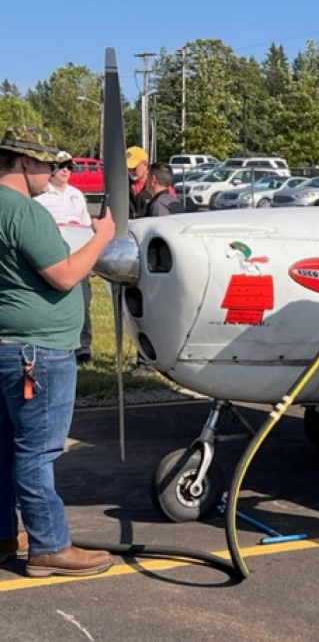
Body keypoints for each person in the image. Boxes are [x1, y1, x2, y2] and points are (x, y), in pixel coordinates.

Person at [0, 125, 117, 576]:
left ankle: (5, 532)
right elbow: (66, 274)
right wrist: (102, 235)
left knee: (5, 448)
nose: (53, 171)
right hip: (38, 351)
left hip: (7, 345)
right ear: (25, 162)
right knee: (37, 453)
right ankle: (49, 545)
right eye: (47, 162)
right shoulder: (23, 212)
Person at [34, 151, 94, 364]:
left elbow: (86, 225)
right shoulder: (40, 197)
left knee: (83, 301)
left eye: (70, 166)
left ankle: (83, 346)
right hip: (50, 256)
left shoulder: (77, 195)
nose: (66, 171)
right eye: (62, 167)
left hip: (77, 254)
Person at [126, 145, 152, 217]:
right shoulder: (123, 185)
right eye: (128, 168)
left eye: (134, 168)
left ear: (145, 164)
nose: (131, 171)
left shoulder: (159, 183)